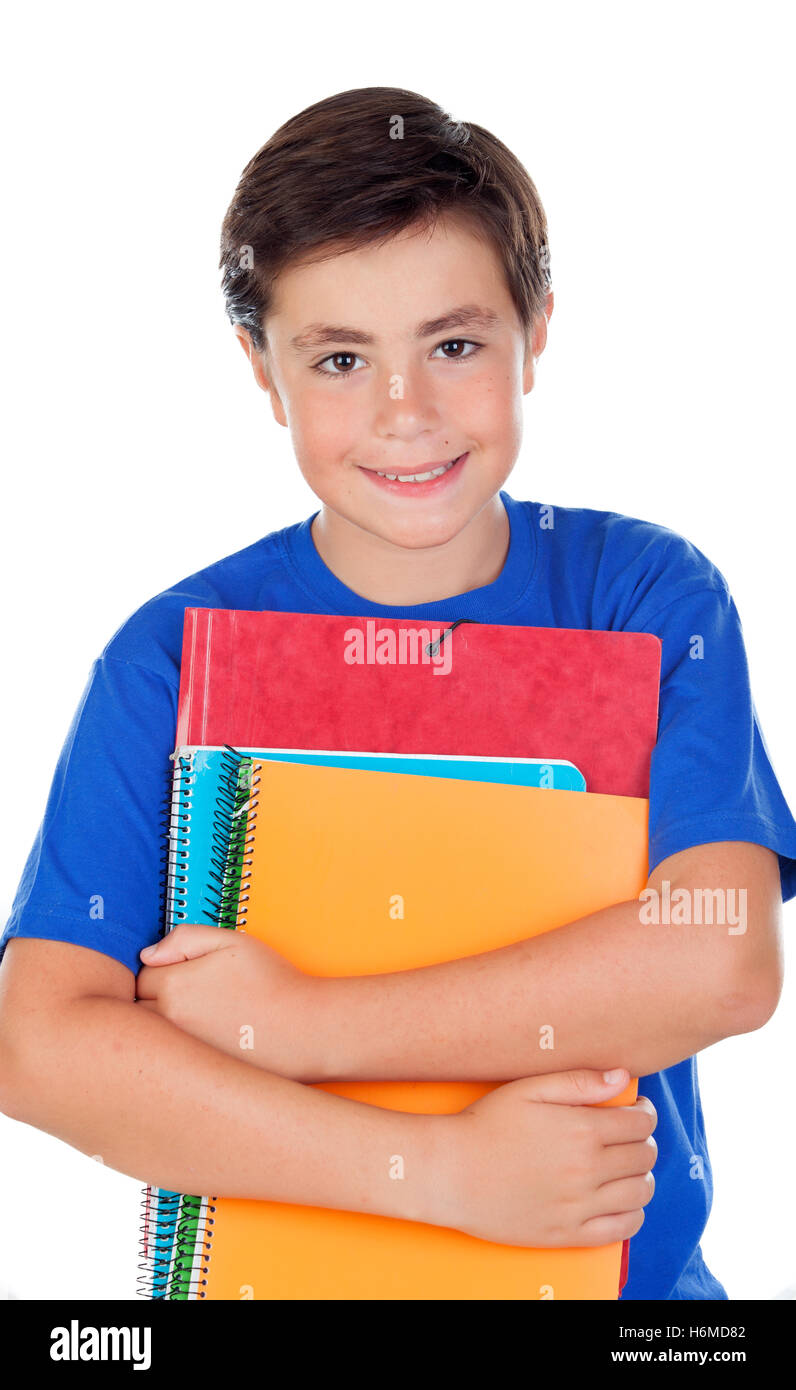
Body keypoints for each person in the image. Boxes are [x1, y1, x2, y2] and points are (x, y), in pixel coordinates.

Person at [1, 87, 794, 1301]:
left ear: (536, 329)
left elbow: (718, 958)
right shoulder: (169, 656)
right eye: (337, 359)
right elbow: (42, 1045)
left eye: (455, 344)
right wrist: (434, 1171)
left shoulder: (642, 594)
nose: (404, 412)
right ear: (262, 373)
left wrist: (310, 1024)